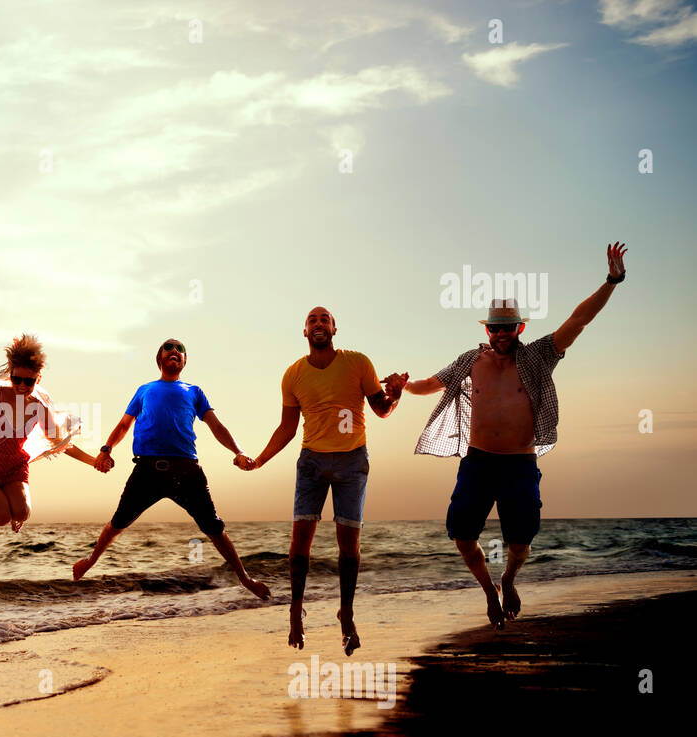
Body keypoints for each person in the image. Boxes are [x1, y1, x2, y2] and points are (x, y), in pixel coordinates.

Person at [403, 242, 628, 627]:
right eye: (495, 327)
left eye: (508, 327)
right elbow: (428, 384)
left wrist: (611, 280)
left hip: (520, 464)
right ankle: (489, 589)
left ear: (520, 328)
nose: (502, 333)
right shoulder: (470, 361)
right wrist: (402, 385)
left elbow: (578, 322)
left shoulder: (539, 355)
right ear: (487, 330)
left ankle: (509, 578)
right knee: (461, 534)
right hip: (478, 462)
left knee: (521, 540)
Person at [249, 307, 407, 655]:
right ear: (304, 332)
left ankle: (346, 614)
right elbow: (287, 428)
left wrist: (395, 392)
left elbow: (381, 409)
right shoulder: (292, 375)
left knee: (348, 547)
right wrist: (260, 460)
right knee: (299, 547)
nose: (318, 323)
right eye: (312, 320)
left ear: (334, 328)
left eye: (325, 319)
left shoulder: (358, 363)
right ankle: (295, 610)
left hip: (352, 462)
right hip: (312, 464)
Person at [72, 338, 270, 600]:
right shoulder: (145, 390)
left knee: (214, 529)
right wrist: (106, 450)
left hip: (186, 470)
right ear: (159, 358)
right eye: (169, 348)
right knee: (117, 523)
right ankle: (91, 559)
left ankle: (245, 578)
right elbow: (123, 425)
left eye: (181, 350)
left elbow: (216, 426)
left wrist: (239, 452)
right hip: (146, 470)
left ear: (184, 361)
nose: (175, 351)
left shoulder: (194, 391)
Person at [0, 334, 101, 539]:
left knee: (23, 513)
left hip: (15, 466)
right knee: (0, 517)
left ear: (38, 379)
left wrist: (94, 461)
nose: (22, 385)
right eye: (17, 379)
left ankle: (10, 503)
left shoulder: (39, 407)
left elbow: (60, 444)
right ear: (10, 374)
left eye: (29, 381)